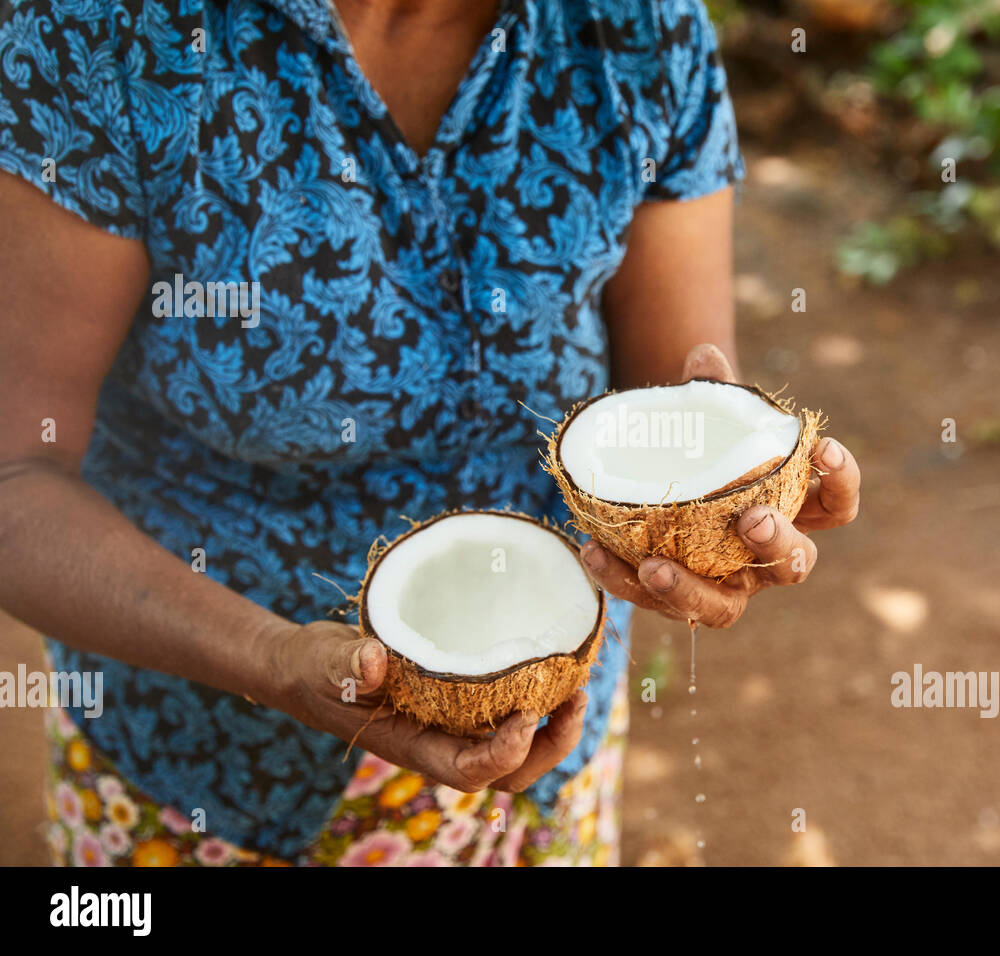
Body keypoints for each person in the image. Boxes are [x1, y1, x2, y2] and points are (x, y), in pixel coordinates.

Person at [0, 0, 860, 866]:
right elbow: (14, 481)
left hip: (542, 741)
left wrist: (725, 507)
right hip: (202, 772)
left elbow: (675, 388)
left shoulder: (637, 30)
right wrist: (271, 658)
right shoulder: (101, 34)